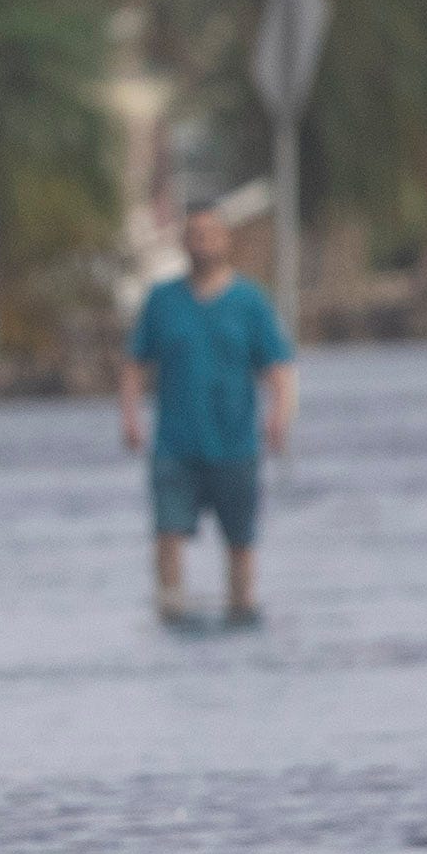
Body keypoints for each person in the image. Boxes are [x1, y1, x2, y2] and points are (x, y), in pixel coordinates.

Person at [119, 201, 298, 629]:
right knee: (167, 534)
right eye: (195, 234)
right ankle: (171, 608)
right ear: (184, 242)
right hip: (175, 445)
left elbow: (280, 368)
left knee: (240, 541)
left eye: (211, 233)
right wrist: (129, 417)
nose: (203, 242)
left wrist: (279, 417)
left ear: (226, 239)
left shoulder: (250, 302)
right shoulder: (162, 301)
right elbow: (134, 364)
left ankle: (241, 608)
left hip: (235, 444)